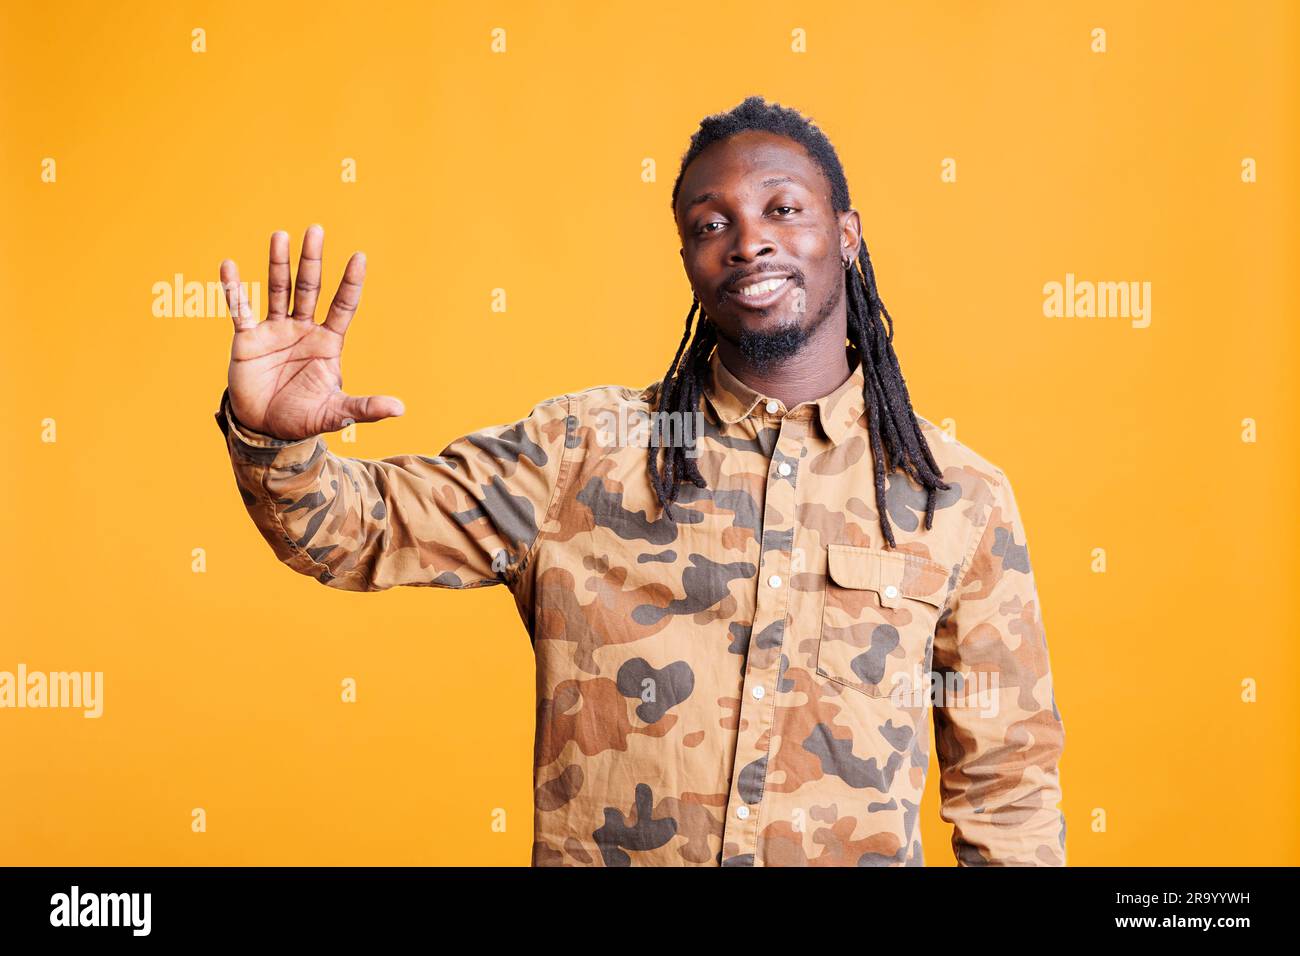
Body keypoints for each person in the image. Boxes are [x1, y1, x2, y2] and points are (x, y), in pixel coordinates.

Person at [214, 95, 1065, 867]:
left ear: (846, 232)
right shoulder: (583, 450)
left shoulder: (957, 495)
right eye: (710, 223)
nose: (749, 239)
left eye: (783, 208)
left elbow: (1009, 790)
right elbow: (353, 531)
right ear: (690, 260)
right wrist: (272, 437)